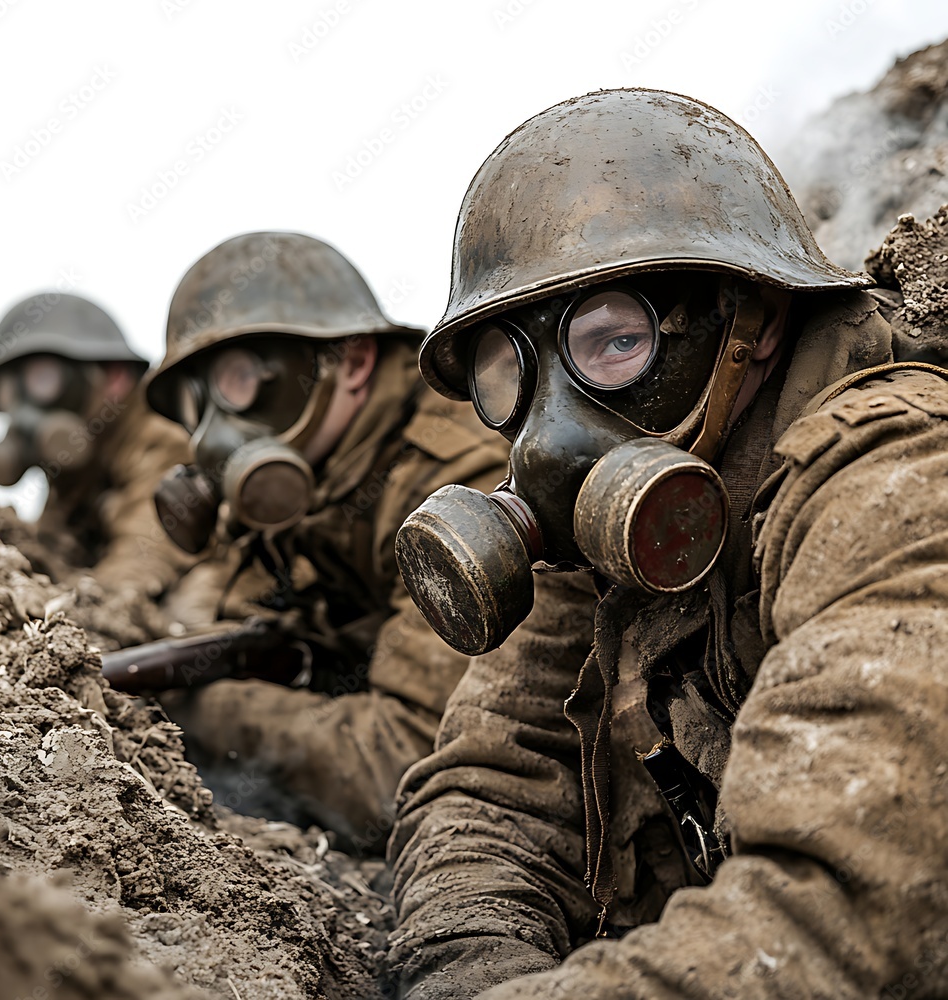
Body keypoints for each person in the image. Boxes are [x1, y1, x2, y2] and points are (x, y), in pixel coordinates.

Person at [389, 89, 948, 998]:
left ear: (755, 318)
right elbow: (485, 797)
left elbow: (857, 903)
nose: (547, 436)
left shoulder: (897, 476)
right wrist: (472, 975)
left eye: (612, 343)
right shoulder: (620, 526)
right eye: (513, 376)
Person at [146, 231, 509, 853]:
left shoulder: (456, 478)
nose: (212, 433)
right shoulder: (307, 476)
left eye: (237, 380)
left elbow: (406, 764)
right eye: (192, 402)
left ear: (354, 361)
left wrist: (206, 713)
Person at [0, 292, 195, 645]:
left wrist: (84, 621)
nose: (27, 409)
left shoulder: (159, 432)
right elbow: (54, 548)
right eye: (10, 394)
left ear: (114, 377)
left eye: (44, 379)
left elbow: (146, 549)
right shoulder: (79, 460)